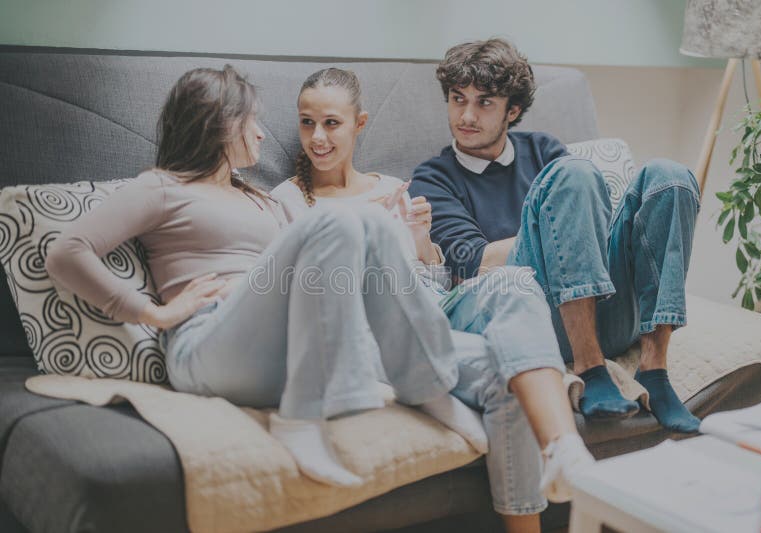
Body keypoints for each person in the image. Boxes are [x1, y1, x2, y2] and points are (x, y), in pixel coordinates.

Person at [43, 64, 501, 490]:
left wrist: (394, 239)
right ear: (220, 125)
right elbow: (67, 252)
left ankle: (426, 385)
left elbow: (318, 283)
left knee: (385, 237)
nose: (263, 132)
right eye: (251, 121)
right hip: (208, 347)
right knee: (339, 221)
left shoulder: (261, 199)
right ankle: (301, 418)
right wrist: (153, 312)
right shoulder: (163, 187)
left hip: (286, 348)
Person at [271, 67, 595, 533]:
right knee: (507, 374)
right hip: (378, 324)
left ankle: (563, 449)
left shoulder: (395, 188)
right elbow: (295, 295)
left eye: (331, 123)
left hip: (435, 304)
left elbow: (440, 280)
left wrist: (421, 240)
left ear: (359, 124)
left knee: (516, 281)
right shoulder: (288, 202)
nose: (317, 137)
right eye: (307, 123)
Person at [410, 38, 702, 433]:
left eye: (484, 103)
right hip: (534, 317)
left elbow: (585, 224)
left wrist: (575, 226)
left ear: (512, 111)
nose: (466, 115)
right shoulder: (433, 177)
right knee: (574, 175)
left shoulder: (543, 149)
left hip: (609, 310)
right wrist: (559, 227)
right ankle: (590, 367)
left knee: (671, 177)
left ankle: (655, 369)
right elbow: (474, 261)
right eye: (458, 99)